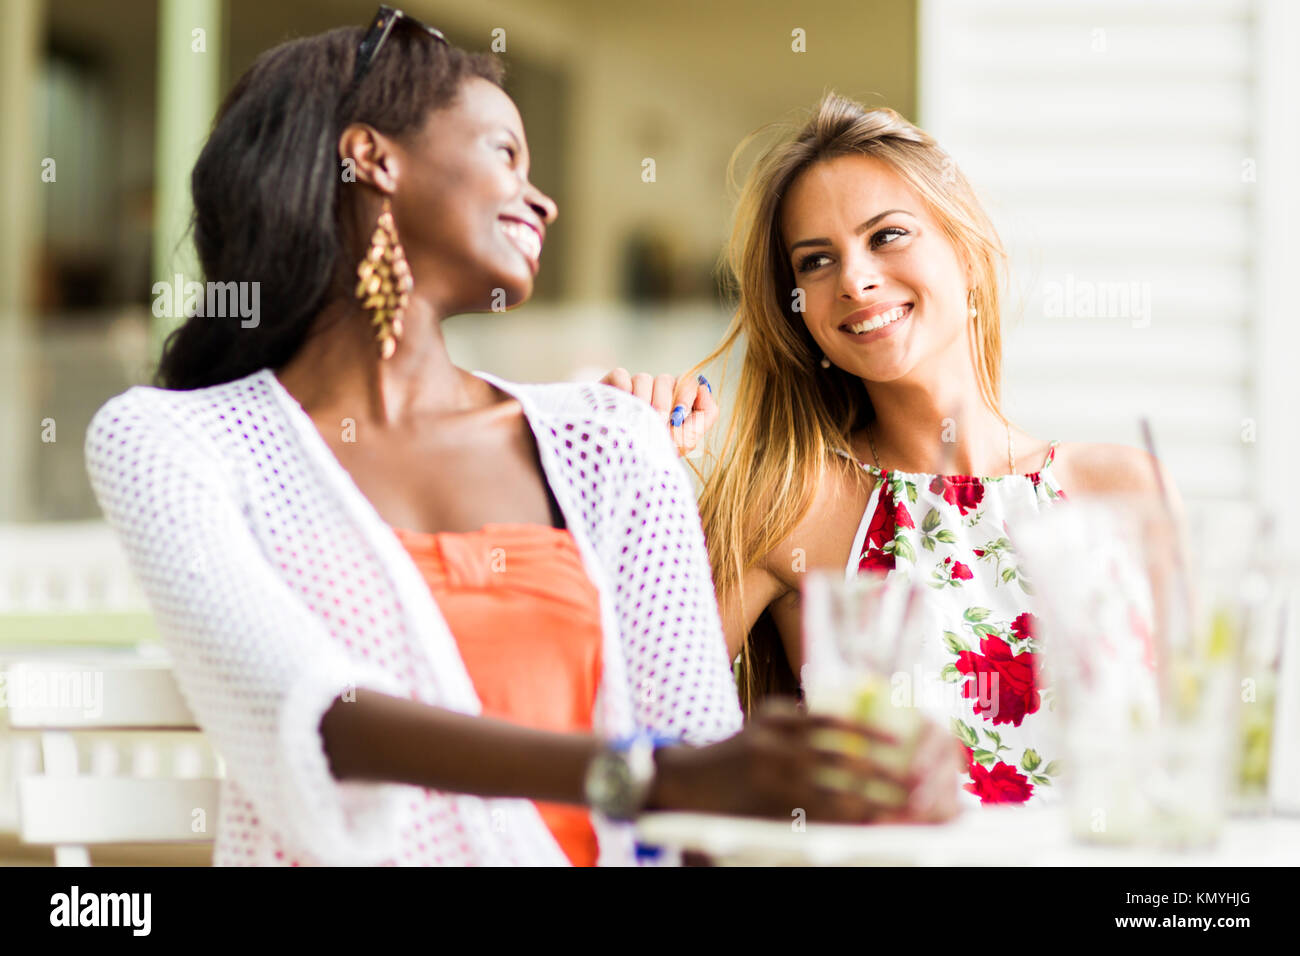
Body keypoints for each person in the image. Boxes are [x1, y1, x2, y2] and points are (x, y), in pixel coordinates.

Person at [84, 15, 959, 867]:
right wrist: (650, 777)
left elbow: (696, 757)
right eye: (504, 153)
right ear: (373, 158)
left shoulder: (607, 443)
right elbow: (310, 714)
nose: (542, 199)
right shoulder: (171, 442)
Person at [605, 93, 1182, 807]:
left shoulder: (1125, 491)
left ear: (966, 251)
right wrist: (637, 482)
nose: (853, 279)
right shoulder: (786, 503)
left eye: (887, 236)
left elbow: (1194, 751)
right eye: (816, 261)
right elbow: (619, 721)